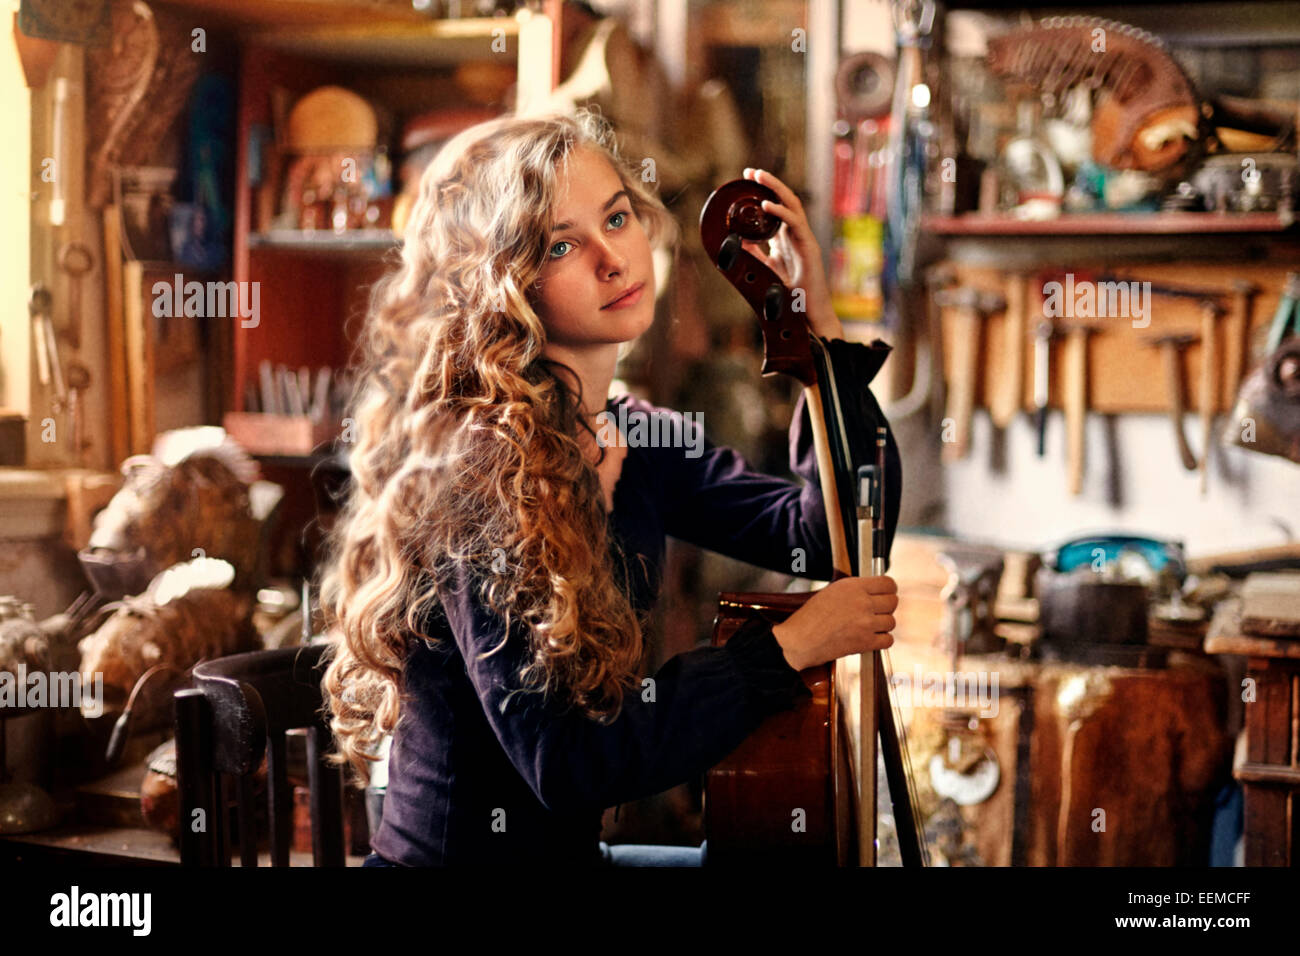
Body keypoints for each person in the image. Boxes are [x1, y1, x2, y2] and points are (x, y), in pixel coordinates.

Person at [319, 110, 899, 866]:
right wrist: (784, 649)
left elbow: (825, 536)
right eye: (562, 245)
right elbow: (570, 761)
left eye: (618, 218)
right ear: (507, 287)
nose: (614, 259)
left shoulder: (638, 436)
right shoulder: (479, 472)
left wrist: (816, 335)